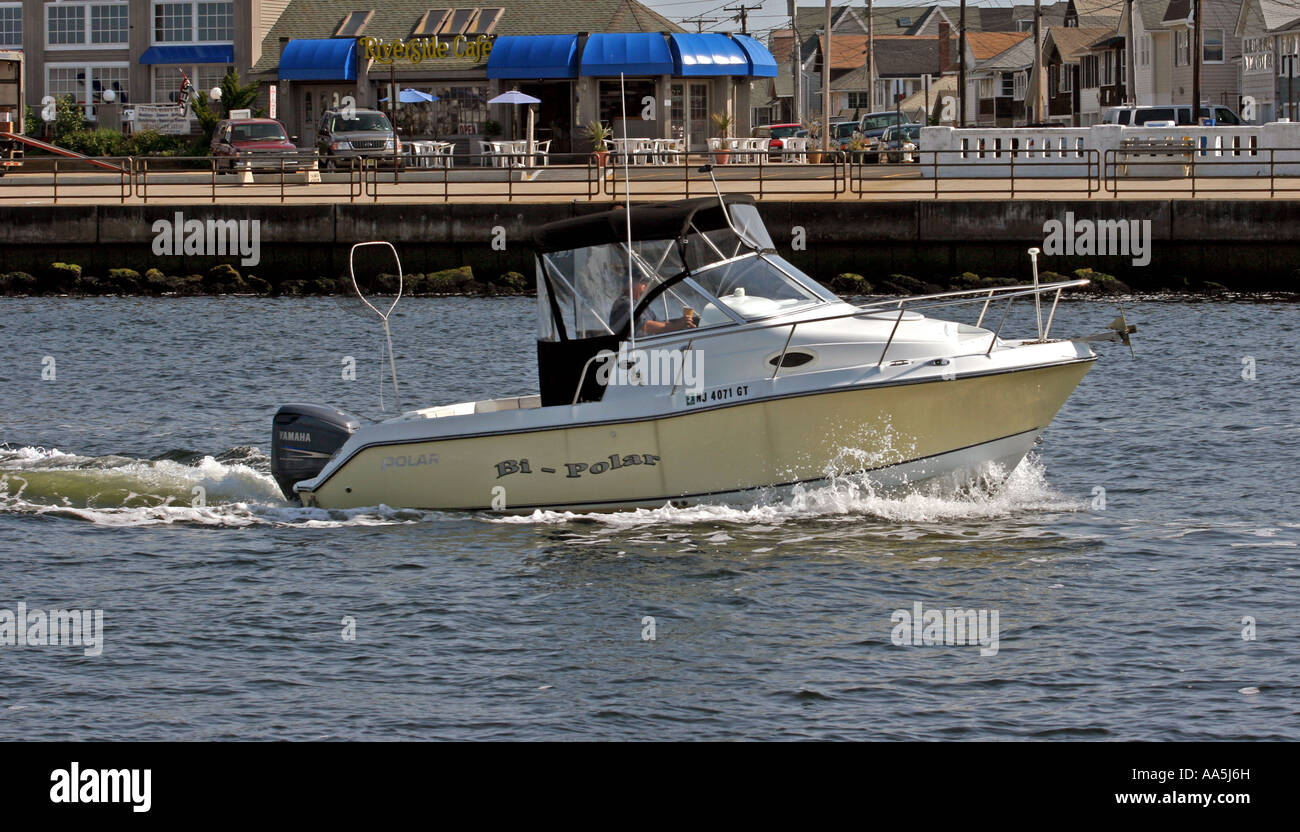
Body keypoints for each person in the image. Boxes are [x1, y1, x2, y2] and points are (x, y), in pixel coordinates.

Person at [608, 274, 698, 336]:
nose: (645, 285)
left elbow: (660, 324)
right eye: (642, 281)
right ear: (629, 284)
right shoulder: (624, 304)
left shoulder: (641, 305)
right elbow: (646, 326)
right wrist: (676, 326)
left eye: (646, 282)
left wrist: (682, 326)